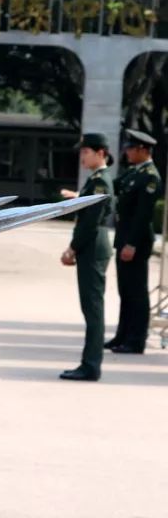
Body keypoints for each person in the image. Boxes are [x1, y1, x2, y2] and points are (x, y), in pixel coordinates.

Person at [59, 133, 115, 381]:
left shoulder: (101, 181)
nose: (82, 156)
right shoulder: (95, 180)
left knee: (93, 308)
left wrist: (72, 247)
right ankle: (89, 363)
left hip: (93, 245)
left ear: (101, 153)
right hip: (92, 245)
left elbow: (91, 221)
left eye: (86, 151)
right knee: (90, 307)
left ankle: (91, 365)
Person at [107, 128, 161, 354]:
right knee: (125, 291)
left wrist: (131, 244)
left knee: (137, 292)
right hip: (124, 239)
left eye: (130, 148)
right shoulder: (134, 173)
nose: (126, 152)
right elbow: (113, 187)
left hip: (135, 243)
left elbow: (143, 215)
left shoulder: (150, 177)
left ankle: (136, 340)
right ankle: (122, 335)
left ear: (142, 150)